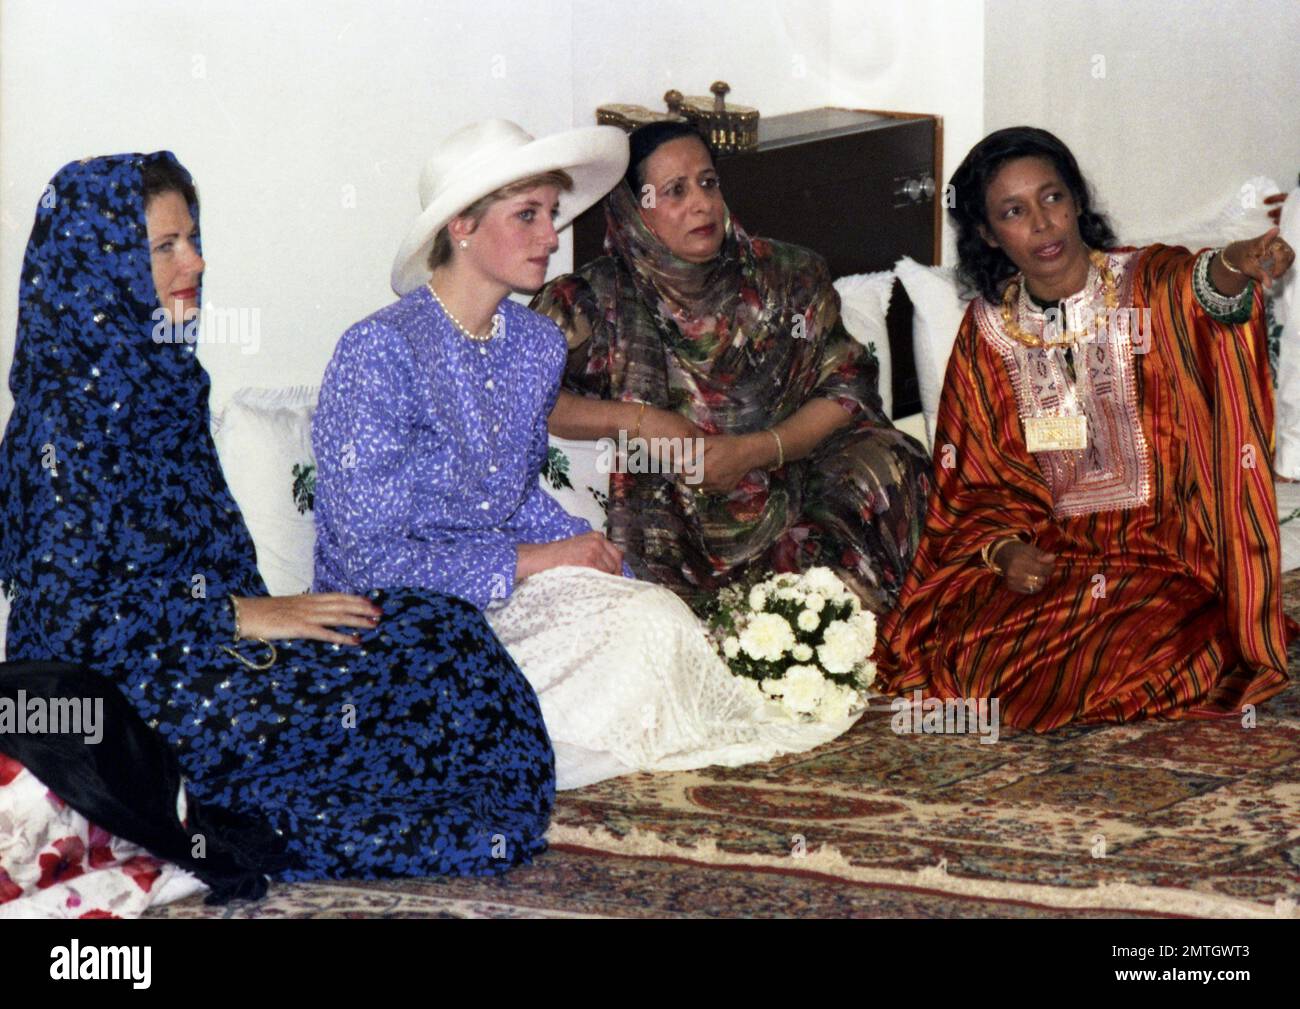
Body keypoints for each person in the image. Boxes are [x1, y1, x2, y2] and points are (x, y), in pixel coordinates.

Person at [0, 153, 555, 903]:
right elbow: (67, 631)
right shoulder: (60, 423)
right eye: (164, 246)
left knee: (439, 628)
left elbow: (210, 556)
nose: (194, 261)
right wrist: (240, 615)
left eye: (191, 238)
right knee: (371, 688)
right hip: (116, 706)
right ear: (100, 265)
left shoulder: (166, 381)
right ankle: (226, 818)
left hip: (200, 652)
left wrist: (260, 621)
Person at [313, 120, 858, 791]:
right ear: (460, 226)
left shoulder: (534, 345)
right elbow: (368, 558)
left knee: (654, 621)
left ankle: (521, 739)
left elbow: (510, 499)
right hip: (400, 617)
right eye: (528, 216)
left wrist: (604, 561)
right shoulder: (379, 351)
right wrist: (540, 560)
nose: (551, 237)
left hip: (508, 595)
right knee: (514, 681)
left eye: (552, 213)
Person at [877, 126, 1296, 729]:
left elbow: (1204, 288)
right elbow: (972, 484)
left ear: (1076, 201)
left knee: (1160, 645)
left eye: (1052, 198)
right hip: (1057, 560)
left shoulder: (1144, 282)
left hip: (1166, 554)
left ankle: (1174, 642)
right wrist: (1003, 551)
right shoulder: (988, 334)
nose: (1042, 224)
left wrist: (1240, 260)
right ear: (990, 235)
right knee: (965, 657)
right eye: (1014, 212)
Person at [531, 120, 931, 616]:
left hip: (802, 482)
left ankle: (841, 648)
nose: (701, 203)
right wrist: (642, 420)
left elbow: (847, 388)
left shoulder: (788, 276)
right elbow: (528, 398)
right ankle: (781, 642)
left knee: (891, 458)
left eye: (708, 183)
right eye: (675, 191)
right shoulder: (592, 300)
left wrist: (754, 451)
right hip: (678, 516)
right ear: (636, 210)